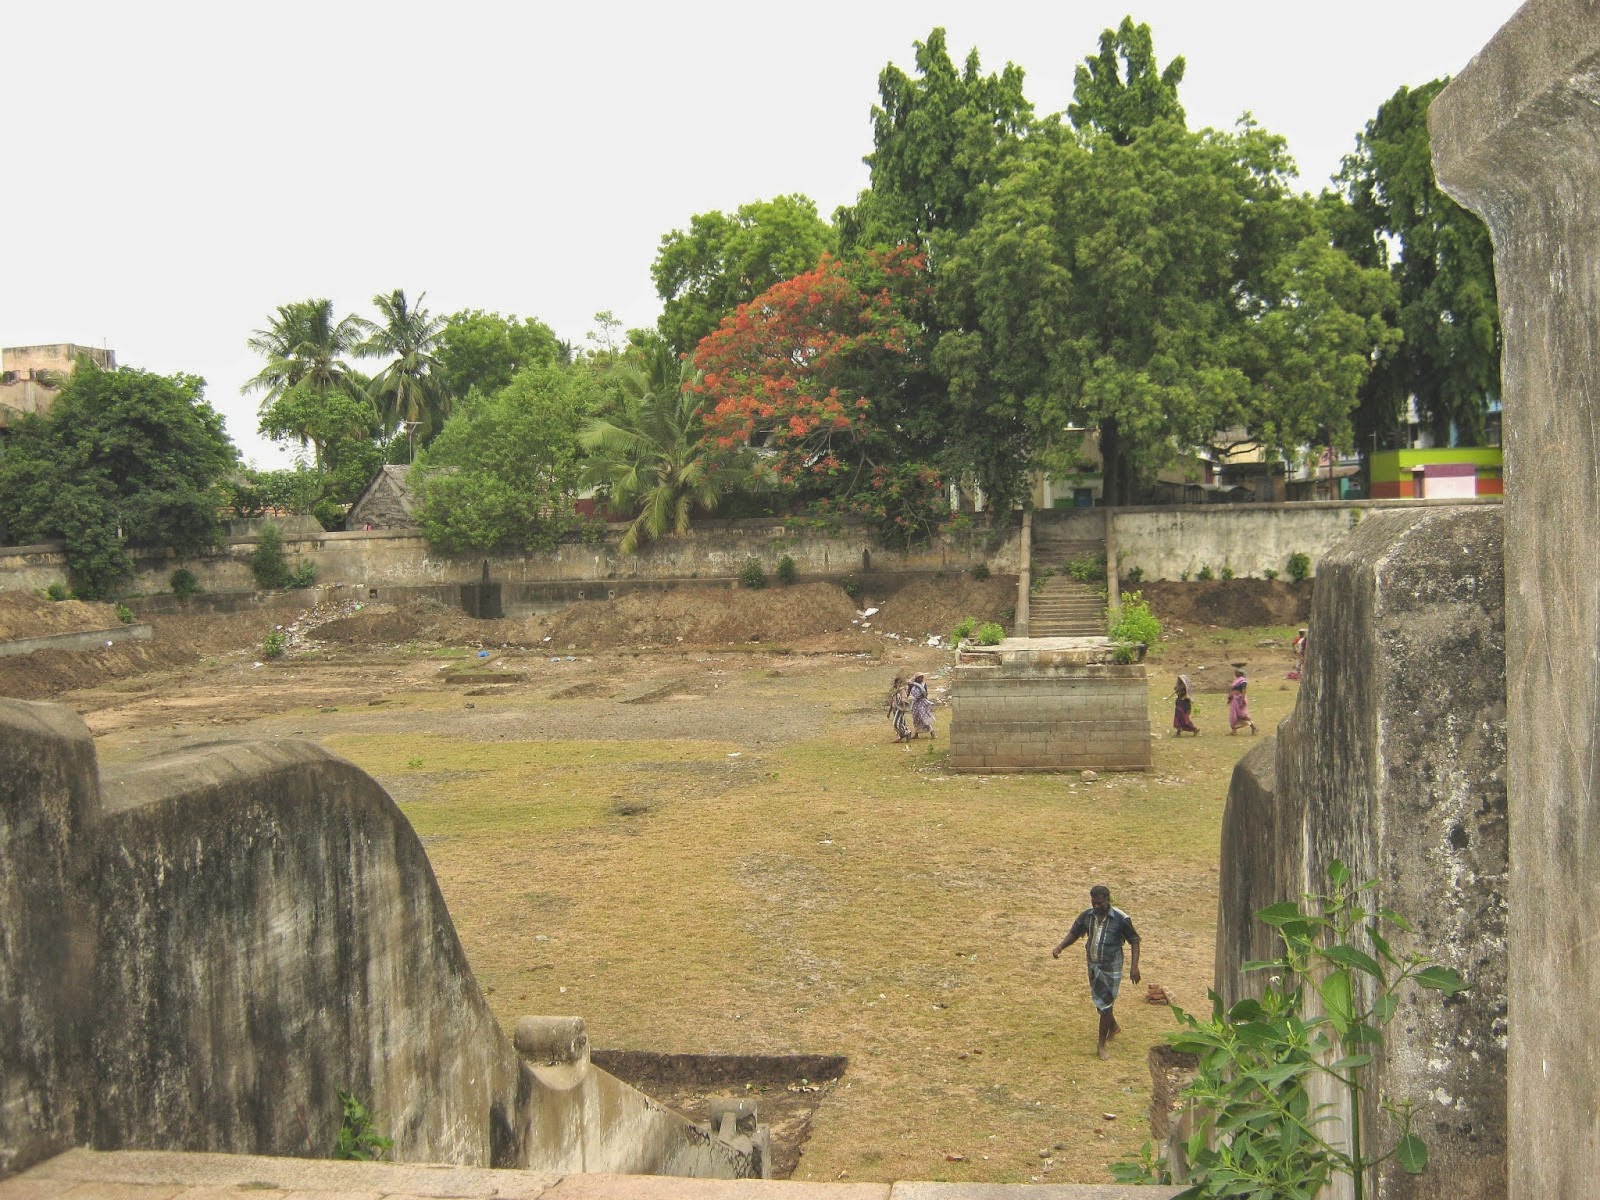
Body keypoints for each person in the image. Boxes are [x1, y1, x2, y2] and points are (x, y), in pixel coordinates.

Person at [1052, 885, 1141, 1060]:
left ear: (1108, 899)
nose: (1096, 906)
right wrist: (1060, 947)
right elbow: (1075, 932)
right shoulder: (1087, 916)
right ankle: (1113, 1026)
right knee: (1100, 1001)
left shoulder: (1121, 919)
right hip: (1093, 965)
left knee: (1105, 1004)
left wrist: (1134, 967)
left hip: (1111, 967)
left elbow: (1135, 940)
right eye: (1094, 903)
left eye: (1100, 903)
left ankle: (1101, 1045)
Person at [1228, 666, 1256, 735]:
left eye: (1236, 672)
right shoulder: (1236, 681)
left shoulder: (1243, 681)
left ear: (1240, 673)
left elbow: (1243, 691)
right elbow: (1233, 690)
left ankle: (1253, 727)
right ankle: (1234, 731)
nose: (1235, 674)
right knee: (1234, 715)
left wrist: (1242, 700)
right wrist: (1230, 697)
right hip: (1234, 699)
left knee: (1243, 715)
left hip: (1240, 699)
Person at [908, 672, 935, 739]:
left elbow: (925, 694)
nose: (922, 679)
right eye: (920, 678)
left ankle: (932, 732)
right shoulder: (912, 685)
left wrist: (922, 697)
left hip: (921, 703)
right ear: (916, 678)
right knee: (916, 718)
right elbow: (908, 693)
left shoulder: (923, 684)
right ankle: (916, 734)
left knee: (923, 718)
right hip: (915, 704)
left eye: (922, 678)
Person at [887, 674, 911, 742]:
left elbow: (904, 699)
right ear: (895, 683)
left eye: (900, 683)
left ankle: (906, 733)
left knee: (895, 724)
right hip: (895, 709)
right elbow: (892, 702)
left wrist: (903, 707)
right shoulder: (894, 691)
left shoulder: (902, 690)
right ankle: (901, 736)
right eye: (898, 683)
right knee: (901, 723)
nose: (899, 684)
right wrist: (889, 712)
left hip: (900, 708)